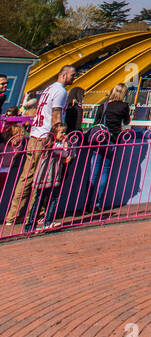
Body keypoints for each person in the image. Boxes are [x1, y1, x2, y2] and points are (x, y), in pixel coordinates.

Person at [4, 64, 77, 227]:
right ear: (63, 75)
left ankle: (13, 216)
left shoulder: (48, 89)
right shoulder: (60, 91)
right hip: (45, 137)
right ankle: (34, 216)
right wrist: (58, 138)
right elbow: (56, 114)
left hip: (34, 135)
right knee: (41, 177)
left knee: (26, 177)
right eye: (73, 75)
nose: (74, 78)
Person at [87, 82, 132, 212]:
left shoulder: (103, 105)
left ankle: (88, 202)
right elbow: (127, 121)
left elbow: (96, 122)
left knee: (93, 172)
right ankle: (97, 203)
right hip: (111, 141)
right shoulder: (124, 106)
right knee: (105, 171)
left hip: (99, 140)